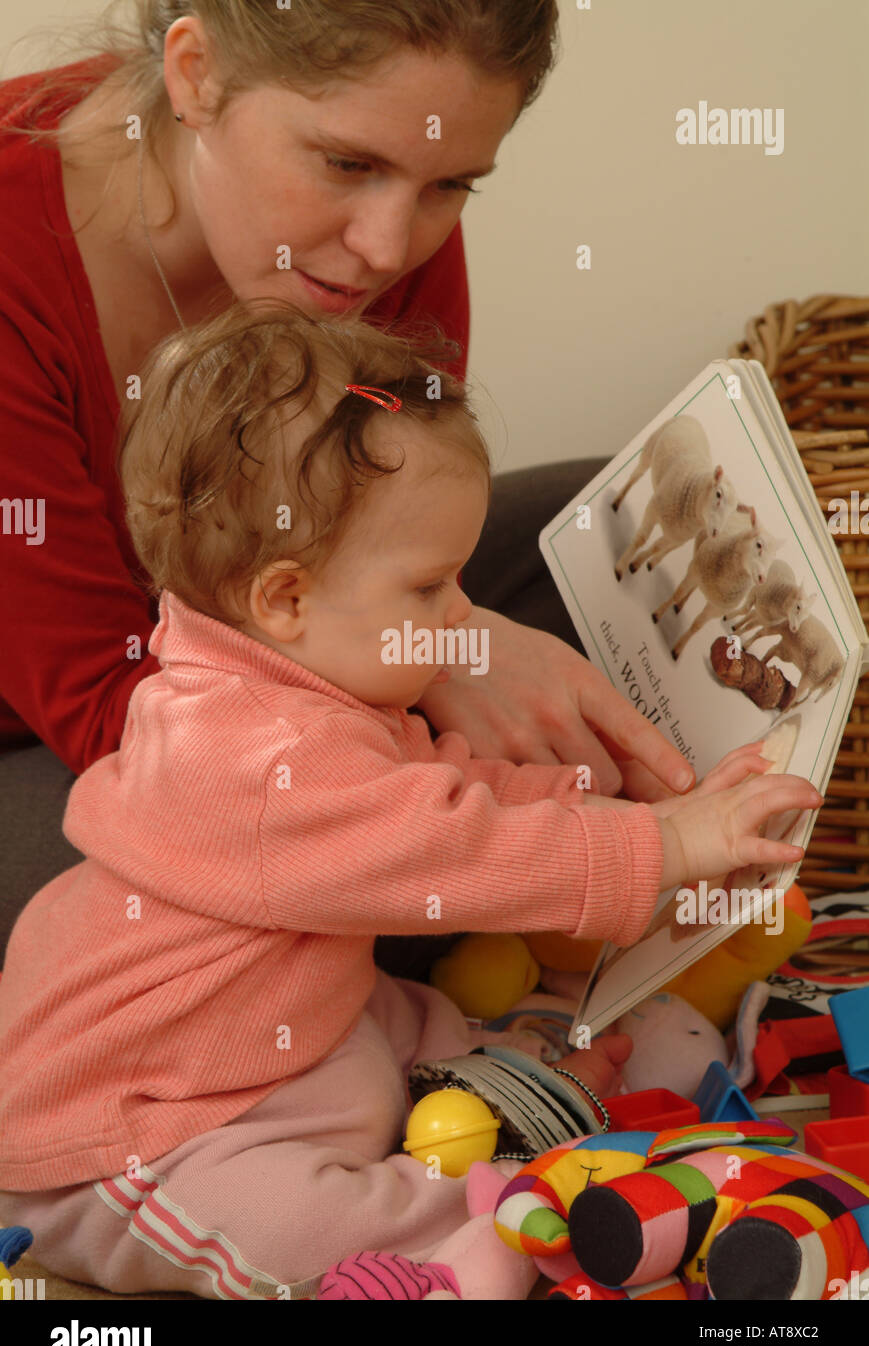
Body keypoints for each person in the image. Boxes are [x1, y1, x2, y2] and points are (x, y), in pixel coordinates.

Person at [0, 303, 823, 1299]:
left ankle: (523, 1060)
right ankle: (457, 1236)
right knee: (291, 1219)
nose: (463, 614)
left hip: (300, 1021)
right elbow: (453, 849)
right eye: (429, 586)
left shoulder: (298, 679)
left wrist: (625, 816)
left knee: (412, 1024)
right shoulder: (255, 757)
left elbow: (450, 791)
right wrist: (659, 843)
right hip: (147, 1126)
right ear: (287, 599)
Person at [0, 1, 698, 968]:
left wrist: (432, 643)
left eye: (450, 183)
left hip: (297, 652)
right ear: (195, 73)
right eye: (346, 164)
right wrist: (440, 654)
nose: (387, 246)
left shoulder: (378, 235)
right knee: (188, 891)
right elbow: (114, 717)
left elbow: (400, 525)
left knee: (604, 535)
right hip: (78, 744)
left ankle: (499, 866)